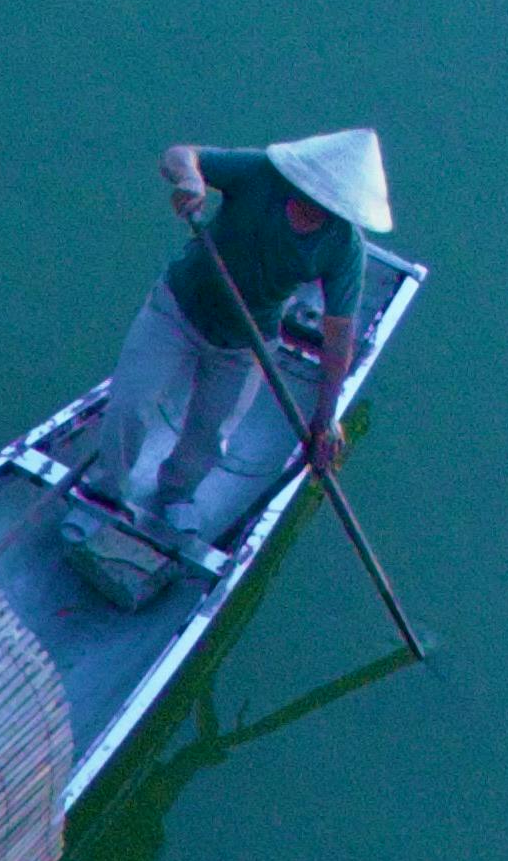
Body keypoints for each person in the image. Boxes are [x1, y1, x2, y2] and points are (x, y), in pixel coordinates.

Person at [63, 127, 391, 579]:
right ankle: (104, 492)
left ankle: (176, 492)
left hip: (245, 341)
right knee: (130, 405)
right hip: (177, 311)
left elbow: (338, 338)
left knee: (210, 435)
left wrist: (323, 419)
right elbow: (180, 154)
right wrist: (190, 180)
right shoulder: (261, 173)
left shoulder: (344, 247)